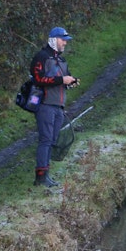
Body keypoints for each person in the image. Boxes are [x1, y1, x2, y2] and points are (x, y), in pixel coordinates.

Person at [30, 26, 79, 187]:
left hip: (59, 106)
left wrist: (72, 82)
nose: (65, 43)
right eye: (62, 40)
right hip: (44, 105)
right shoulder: (41, 57)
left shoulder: (63, 61)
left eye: (66, 40)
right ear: (53, 40)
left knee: (51, 140)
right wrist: (61, 81)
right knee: (45, 140)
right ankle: (40, 178)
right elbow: (38, 79)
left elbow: (65, 79)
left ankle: (46, 175)